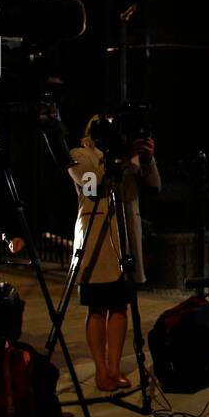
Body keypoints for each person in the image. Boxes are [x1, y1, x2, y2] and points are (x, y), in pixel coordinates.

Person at [67, 115, 159, 391]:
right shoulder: (79, 154)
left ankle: (115, 368)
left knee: (119, 306)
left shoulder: (130, 156)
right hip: (97, 239)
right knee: (97, 308)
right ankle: (101, 369)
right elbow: (94, 186)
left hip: (126, 239)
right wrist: (125, 159)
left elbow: (154, 185)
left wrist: (147, 159)